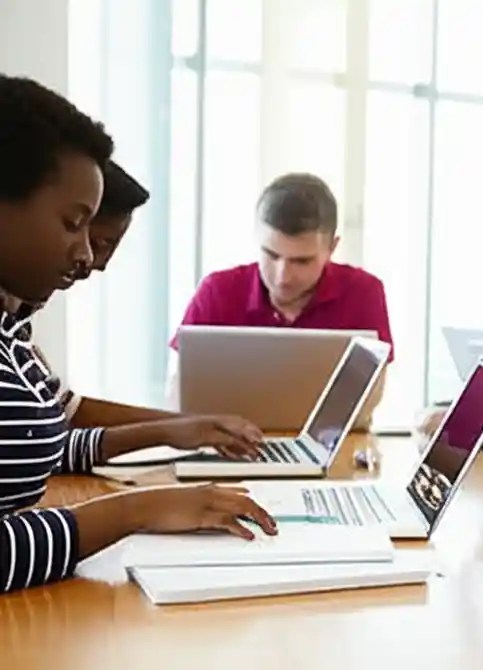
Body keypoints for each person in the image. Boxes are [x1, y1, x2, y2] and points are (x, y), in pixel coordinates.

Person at [0, 74, 276, 593]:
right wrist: (135, 510)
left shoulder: (9, 332)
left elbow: (44, 441)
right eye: (73, 224)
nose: (87, 256)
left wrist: (178, 434)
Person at [15, 159, 263, 458]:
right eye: (100, 242)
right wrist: (169, 431)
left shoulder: (17, 323)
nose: (96, 262)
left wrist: (189, 426)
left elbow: (64, 413)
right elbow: (43, 446)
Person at [170, 172, 394, 356]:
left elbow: (372, 389)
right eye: (271, 255)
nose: (282, 277)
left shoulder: (362, 293)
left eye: (302, 261)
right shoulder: (217, 293)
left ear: (331, 249)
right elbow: (178, 385)